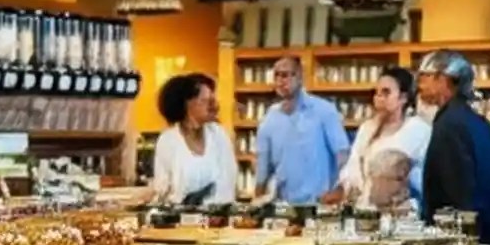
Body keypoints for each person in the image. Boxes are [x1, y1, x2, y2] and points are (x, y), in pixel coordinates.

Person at [417, 49, 490, 245]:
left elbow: (455, 189)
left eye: (425, 77)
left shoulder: (449, 125)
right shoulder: (479, 122)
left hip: (464, 241)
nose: (419, 84)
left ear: (444, 79)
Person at [323, 67, 431, 207]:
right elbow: (352, 167)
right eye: (376, 93)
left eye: (386, 93)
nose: (379, 98)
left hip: (405, 214)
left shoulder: (419, 130)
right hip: (367, 211)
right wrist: (341, 189)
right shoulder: (367, 129)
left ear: (403, 98)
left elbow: (429, 176)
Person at [254, 55, 351, 205]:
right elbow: (263, 167)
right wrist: (257, 201)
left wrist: (340, 189)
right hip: (284, 207)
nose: (280, 81)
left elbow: (342, 155)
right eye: (277, 75)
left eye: (286, 75)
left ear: (300, 76)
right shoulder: (269, 118)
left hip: (320, 206)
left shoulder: (324, 111)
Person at [150, 74, 237, 206]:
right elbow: (162, 190)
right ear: (188, 103)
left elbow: (229, 182)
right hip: (182, 222)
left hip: (219, 219)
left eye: (214, 101)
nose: (214, 107)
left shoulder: (218, 134)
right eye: (207, 101)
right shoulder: (167, 141)